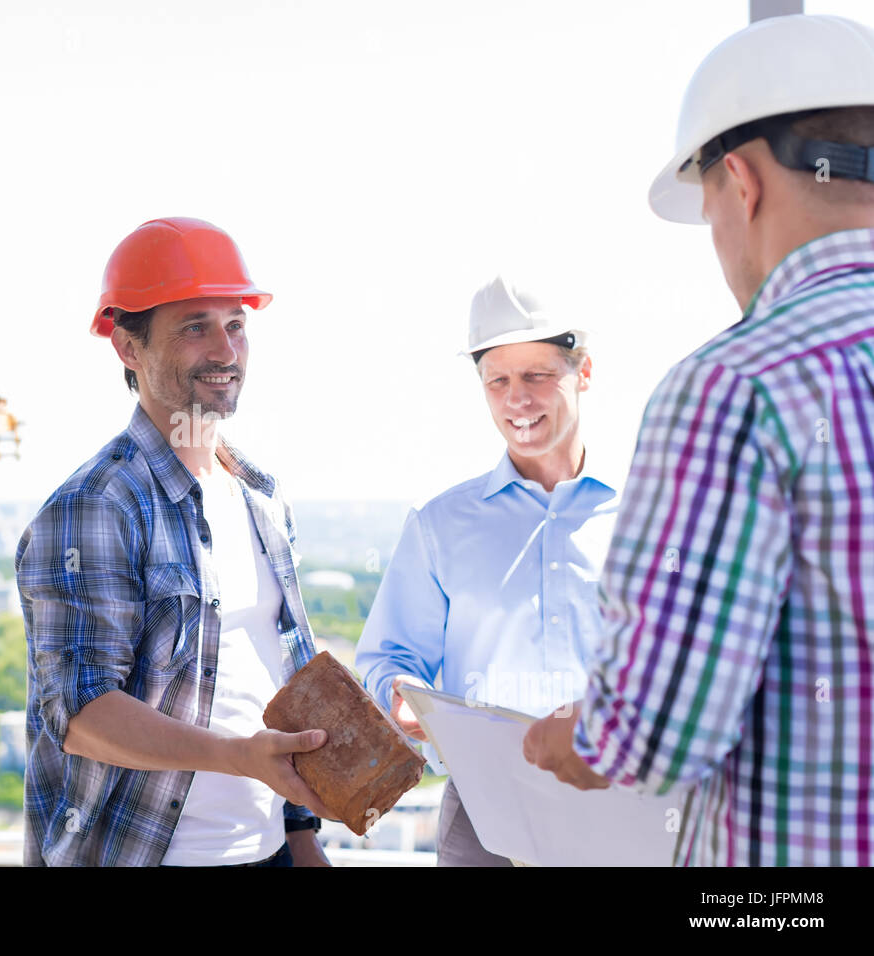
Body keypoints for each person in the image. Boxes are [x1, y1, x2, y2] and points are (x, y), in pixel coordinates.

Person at [523, 14, 874, 866]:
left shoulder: (738, 384)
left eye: (709, 209)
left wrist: (567, 740)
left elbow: (654, 731)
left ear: (742, 183)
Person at [16, 216, 334, 867]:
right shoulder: (95, 508)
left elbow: (279, 669)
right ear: (128, 348)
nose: (225, 349)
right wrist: (237, 757)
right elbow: (81, 714)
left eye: (236, 325)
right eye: (196, 326)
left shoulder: (261, 495)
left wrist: (299, 837)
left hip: (266, 852)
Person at [355, 276, 619, 865]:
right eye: (497, 380)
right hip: (484, 819)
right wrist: (400, 695)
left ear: (585, 372)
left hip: (623, 806)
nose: (516, 400)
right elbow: (388, 658)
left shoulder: (654, 516)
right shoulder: (440, 525)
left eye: (537, 376)